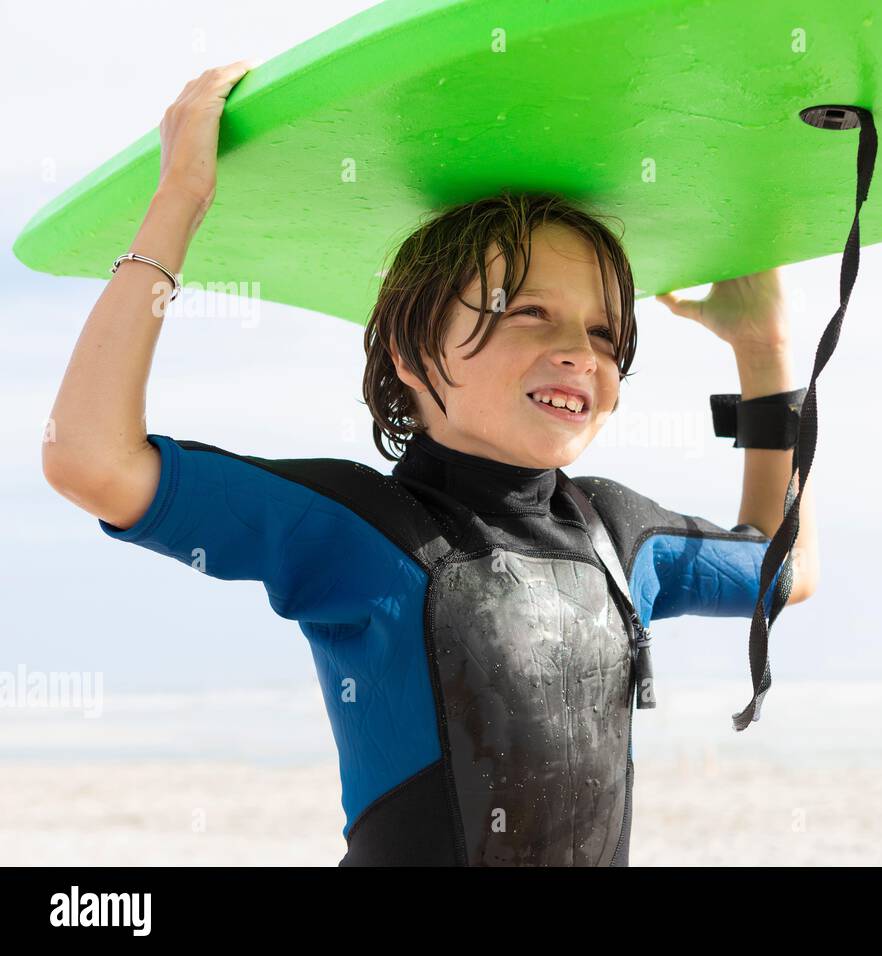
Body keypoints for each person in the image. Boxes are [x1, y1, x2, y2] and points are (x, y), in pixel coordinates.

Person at [41, 60, 820, 866]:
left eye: (602, 333)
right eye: (529, 313)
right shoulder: (359, 529)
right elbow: (90, 459)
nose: (577, 354)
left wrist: (763, 354)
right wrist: (180, 204)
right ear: (413, 350)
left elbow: (785, 568)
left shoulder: (617, 540)